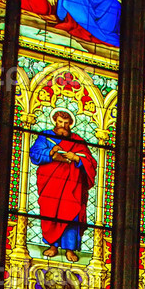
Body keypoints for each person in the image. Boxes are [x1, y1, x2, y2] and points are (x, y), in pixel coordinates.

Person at [29, 109, 97, 263]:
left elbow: (91, 161)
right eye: (60, 122)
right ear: (55, 121)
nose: (63, 126)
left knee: (71, 213)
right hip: (50, 183)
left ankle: (69, 249)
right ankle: (53, 246)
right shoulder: (46, 136)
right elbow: (34, 153)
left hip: (72, 185)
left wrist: (77, 158)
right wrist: (51, 152)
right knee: (50, 212)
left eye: (66, 123)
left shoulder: (77, 140)